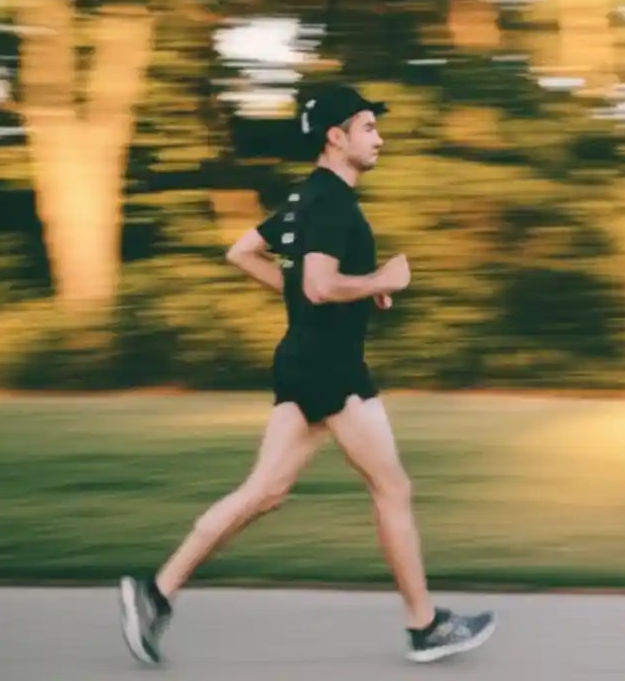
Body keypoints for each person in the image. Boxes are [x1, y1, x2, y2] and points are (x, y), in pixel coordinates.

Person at [118, 84, 495, 666]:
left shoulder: (305, 201)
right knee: (391, 488)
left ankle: (156, 593)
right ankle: (424, 628)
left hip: (305, 360)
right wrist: (380, 282)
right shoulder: (331, 204)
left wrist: (348, 296)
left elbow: (243, 252)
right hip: (331, 370)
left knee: (264, 491)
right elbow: (318, 285)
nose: (380, 138)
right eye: (368, 127)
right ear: (335, 136)